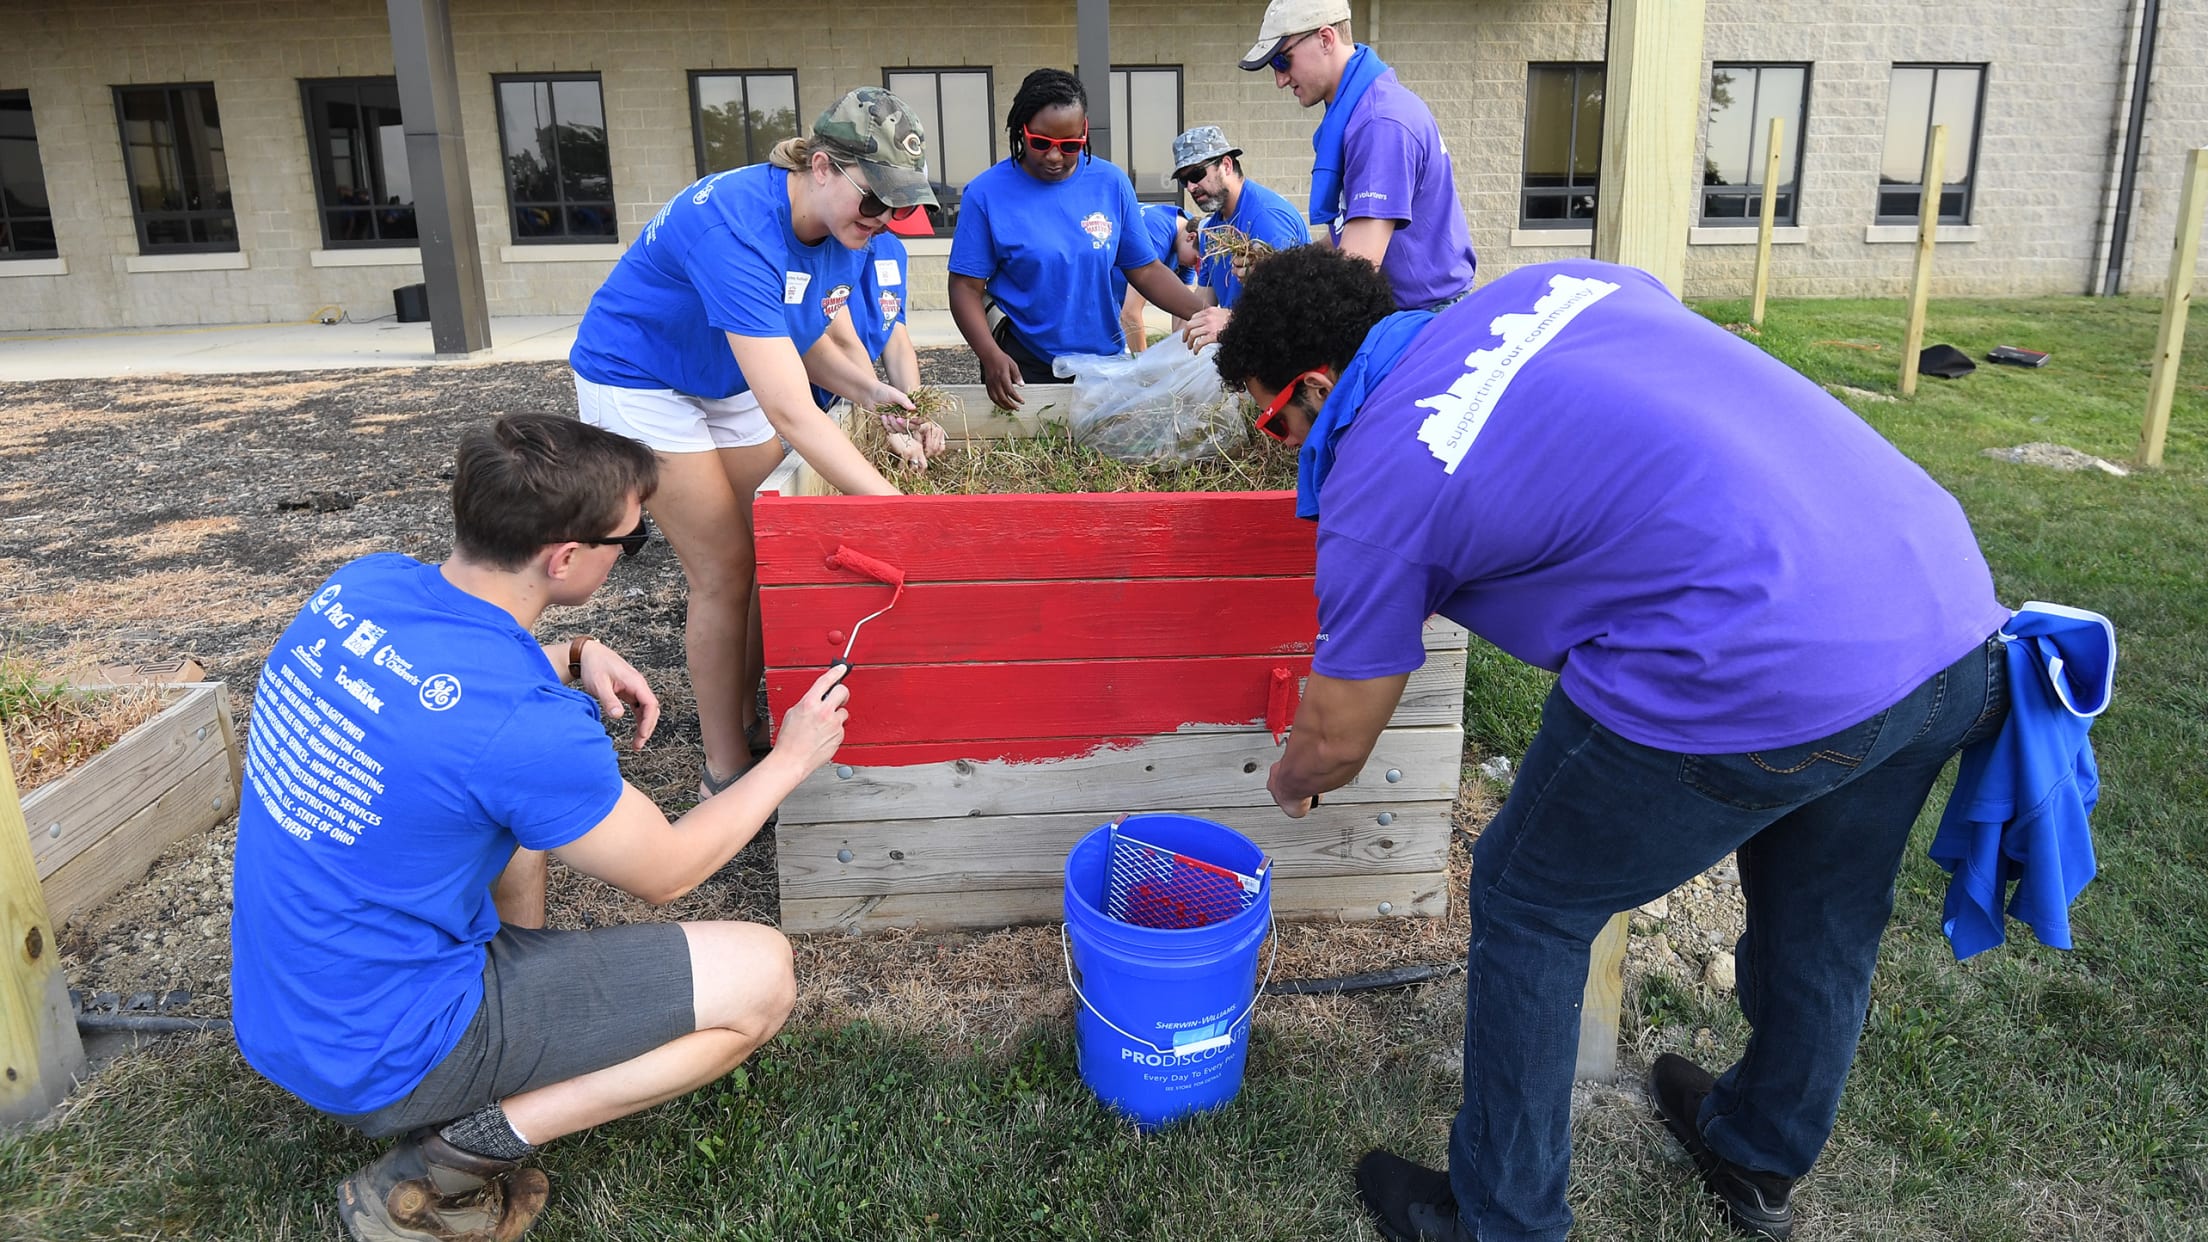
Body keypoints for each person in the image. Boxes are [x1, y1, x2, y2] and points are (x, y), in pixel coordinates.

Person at [1210, 247, 2014, 1242]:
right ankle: (1756, 1151)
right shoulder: (1560, 283)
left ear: (1319, 388)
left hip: (1755, 653)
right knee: (1827, 906)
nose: (1283, 447)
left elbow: (1335, 741)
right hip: (1943, 613)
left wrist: (1283, 781)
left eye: (1275, 422)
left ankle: (1500, 1218)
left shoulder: (1382, 466)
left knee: (1529, 898)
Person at [229, 413, 854, 1242]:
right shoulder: (522, 728)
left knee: (517, 826)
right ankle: (459, 1149)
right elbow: (668, 869)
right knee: (762, 976)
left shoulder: (358, 588)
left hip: (286, 1009)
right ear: (565, 557)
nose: (631, 554)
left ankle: (489, 1058)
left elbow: (438, 680)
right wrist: (793, 757)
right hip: (382, 1050)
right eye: (629, 545)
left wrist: (570, 653)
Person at [568, 87, 931, 798]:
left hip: (726, 371)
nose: (885, 219)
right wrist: (899, 511)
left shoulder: (846, 230)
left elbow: (810, 335)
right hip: (641, 377)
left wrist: (869, 391)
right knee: (725, 568)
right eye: (874, 200)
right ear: (822, 167)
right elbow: (794, 412)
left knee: (774, 549)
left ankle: (749, 709)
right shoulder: (736, 229)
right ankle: (725, 766)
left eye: (899, 206)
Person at [948, 68, 1208, 410]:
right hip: (1022, 363)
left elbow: (1145, 270)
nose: (1054, 157)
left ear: (1084, 133)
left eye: (1070, 146)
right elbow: (965, 287)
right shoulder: (985, 194)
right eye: (1040, 143)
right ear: (1020, 130)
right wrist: (989, 354)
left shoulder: (1111, 183)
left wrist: (1205, 315)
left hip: (1102, 364)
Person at [1237, 0, 1477, 311]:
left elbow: (1353, 276)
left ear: (1325, 39)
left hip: (1423, 321)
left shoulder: (1380, 123)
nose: (1280, 80)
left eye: (1283, 61)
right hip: (1407, 310)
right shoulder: (1360, 108)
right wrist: (1275, 267)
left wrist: (1241, 320)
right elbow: (1345, 238)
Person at [1165, 124, 1313, 349]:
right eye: (1184, 181)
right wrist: (1172, 351)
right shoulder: (1211, 230)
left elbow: (1287, 308)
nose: (1191, 187)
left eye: (1197, 174)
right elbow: (1205, 301)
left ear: (1225, 165)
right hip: (1238, 350)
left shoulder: (1266, 218)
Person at [1119, 201, 1199, 348]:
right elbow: (1130, 314)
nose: (1197, 267)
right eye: (1198, 260)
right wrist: (1143, 366)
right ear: (1191, 237)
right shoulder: (1156, 232)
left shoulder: (1186, 236)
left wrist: (1179, 360)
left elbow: (1182, 310)